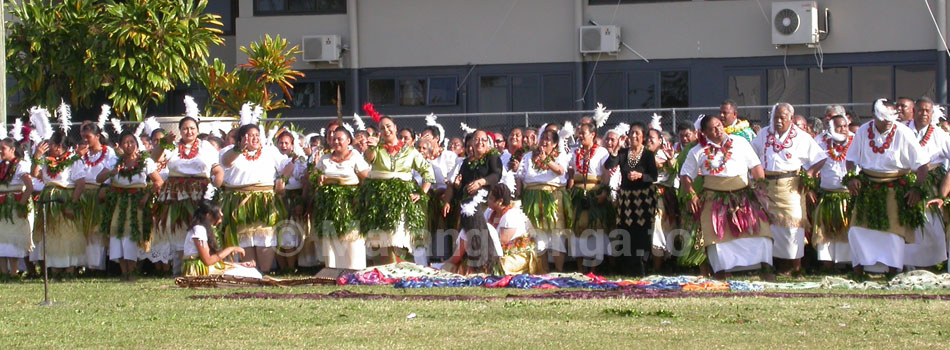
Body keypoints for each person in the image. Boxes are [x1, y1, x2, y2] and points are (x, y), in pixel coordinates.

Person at [680, 115, 773, 281]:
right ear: (705, 133)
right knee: (717, 237)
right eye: (713, 129)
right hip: (713, 198)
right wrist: (691, 194)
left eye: (719, 125)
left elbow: (756, 166)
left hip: (743, 196)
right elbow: (685, 175)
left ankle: (765, 269)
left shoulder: (740, 142)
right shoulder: (698, 151)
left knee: (760, 231)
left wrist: (761, 187)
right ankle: (721, 272)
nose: (718, 130)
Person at [845, 99, 929, 279]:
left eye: (892, 116)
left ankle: (892, 272)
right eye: (884, 116)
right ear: (874, 115)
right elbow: (851, 159)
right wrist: (852, 177)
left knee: (893, 232)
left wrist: (916, 189)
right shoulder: (863, 131)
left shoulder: (904, 132)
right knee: (857, 229)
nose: (889, 120)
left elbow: (922, 165)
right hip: (867, 185)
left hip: (895, 186)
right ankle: (858, 271)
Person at [751, 103, 827, 276]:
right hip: (767, 184)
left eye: (782, 117)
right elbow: (752, 154)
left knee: (793, 225)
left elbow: (820, 158)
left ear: (791, 119)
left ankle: (795, 267)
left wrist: (809, 174)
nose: (778, 121)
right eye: (776, 117)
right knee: (766, 226)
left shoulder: (801, 137)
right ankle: (768, 266)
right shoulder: (764, 134)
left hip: (790, 185)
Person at [151, 116, 224, 275]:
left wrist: (215, 187)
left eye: (192, 128)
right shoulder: (172, 146)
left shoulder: (206, 147)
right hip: (176, 195)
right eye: (185, 128)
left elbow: (217, 170)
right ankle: (178, 271)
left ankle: (200, 269)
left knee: (199, 228)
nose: (189, 131)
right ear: (180, 131)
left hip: (200, 194)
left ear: (197, 130)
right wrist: (164, 143)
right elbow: (153, 159)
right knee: (178, 230)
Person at [360, 116, 435, 264]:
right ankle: (383, 268)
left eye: (389, 126)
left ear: (395, 127)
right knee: (381, 236)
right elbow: (369, 158)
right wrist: (371, 146)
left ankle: (400, 266)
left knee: (399, 234)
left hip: (402, 197)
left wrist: (421, 192)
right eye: (382, 128)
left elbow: (427, 171)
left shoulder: (410, 151)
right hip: (379, 196)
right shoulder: (377, 148)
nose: (386, 130)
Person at [97, 131, 164, 281]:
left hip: (137, 202)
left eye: (132, 142)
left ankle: (133, 271)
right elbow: (99, 178)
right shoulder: (114, 162)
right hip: (118, 203)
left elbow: (159, 182)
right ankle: (124, 272)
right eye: (126, 142)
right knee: (117, 235)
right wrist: (112, 173)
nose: (129, 145)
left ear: (136, 144)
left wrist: (146, 195)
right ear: (120, 146)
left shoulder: (145, 161)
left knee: (132, 235)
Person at [220, 123, 287, 273]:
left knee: (265, 235)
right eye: (250, 135)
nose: (254, 138)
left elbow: (287, 165)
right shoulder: (229, 151)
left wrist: (282, 179)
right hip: (239, 202)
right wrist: (239, 149)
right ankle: (251, 273)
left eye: (257, 135)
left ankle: (264, 271)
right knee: (244, 236)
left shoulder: (270, 151)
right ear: (241, 138)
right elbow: (226, 162)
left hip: (265, 201)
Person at [311, 129, 370, 269]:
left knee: (351, 236)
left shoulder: (355, 157)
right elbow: (313, 177)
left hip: (350, 202)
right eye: (334, 139)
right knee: (332, 236)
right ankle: (333, 270)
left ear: (348, 141)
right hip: (329, 204)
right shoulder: (325, 158)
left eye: (340, 139)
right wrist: (318, 178)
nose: (336, 142)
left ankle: (353, 269)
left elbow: (367, 179)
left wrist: (359, 197)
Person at [902, 97, 949, 269]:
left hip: (929, 184)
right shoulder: (902, 129)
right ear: (914, 111)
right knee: (904, 223)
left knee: (931, 224)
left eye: (927, 110)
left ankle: (933, 264)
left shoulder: (939, 134)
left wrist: (942, 194)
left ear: (932, 113)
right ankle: (905, 265)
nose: (924, 114)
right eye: (920, 110)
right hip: (904, 181)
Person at [31, 131, 86, 277]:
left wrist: (71, 204)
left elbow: (80, 184)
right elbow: (35, 174)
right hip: (49, 202)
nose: (48, 147)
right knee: (52, 234)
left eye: (51, 144)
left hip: (65, 198)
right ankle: (54, 268)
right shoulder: (47, 161)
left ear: (59, 146)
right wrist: (37, 156)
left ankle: (69, 269)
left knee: (67, 234)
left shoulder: (74, 160)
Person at [607, 123, 658, 275]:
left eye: (637, 133)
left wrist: (641, 176)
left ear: (643, 137)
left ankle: (643, 267)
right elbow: (609, 165)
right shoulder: (623, 153)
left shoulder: (648, 155)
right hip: (626, 200)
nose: (634, 136)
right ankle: (627, 268)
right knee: (626, 232)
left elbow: (653, 177)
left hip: (643, 200)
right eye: (632, 133)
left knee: (642, 233)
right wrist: (616, 151)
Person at [519, 129, 571, 272]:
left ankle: (559, 270)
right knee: (538, 237)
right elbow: (521, 177)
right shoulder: (528, 156)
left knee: (556, 235)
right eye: (542, 138)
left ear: (554, 144)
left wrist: (546, 160)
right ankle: (544, 271)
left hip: (552, 198)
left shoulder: (560, 155)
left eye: (548, 139)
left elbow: (560, 171)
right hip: (532, 198)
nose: (544, 141)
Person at [567, 123, 612, 273]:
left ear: (592, 134)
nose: (580, 136)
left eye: (583, 133)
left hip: (595, 193)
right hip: (578, 195)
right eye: (578, 133)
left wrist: (604, 192)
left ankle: (593, 268)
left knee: (596, 227)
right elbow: (572, 176)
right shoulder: (575, 153)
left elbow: (606, 174)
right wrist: (570, 192)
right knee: (577, 228)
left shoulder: (601, 152)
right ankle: (580, 268)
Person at [812, 115, 854, 270]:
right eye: (839, 127)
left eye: (845, 126)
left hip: (849, 196)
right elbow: (810, 164)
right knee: (826, 231)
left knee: (848, 230)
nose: (843, 130)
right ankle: (827, 264)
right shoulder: (820, 141)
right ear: (830, 128)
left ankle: (848, 264)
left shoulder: (855, 140)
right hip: (828, 194)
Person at [76, 121, 118, 272]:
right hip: (83, 194)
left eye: (88, 137)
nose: (85, 140)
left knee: (97, 231)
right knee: (83, 230)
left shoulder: (109, 152)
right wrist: (77, 157)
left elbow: (109, 172)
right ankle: (83, 265)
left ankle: (97, 266)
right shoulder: (81, 154)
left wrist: (105, 187)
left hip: (100, 193)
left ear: (98, 136)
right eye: (82, 137)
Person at [182, 199, 257, 277]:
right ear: (208, 215)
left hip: (206, 267)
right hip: (198, 270)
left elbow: (212, 260)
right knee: (251, 274)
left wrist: (239, 264)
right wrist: (230, 249)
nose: (221, 214)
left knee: (250, 270)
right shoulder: (199, 230)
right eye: (218, 212)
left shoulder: (202, 229)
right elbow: (208, 261)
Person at [485, 184, 543, 275]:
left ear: (500, 201)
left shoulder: (510, 216)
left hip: (515, 255)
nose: (487, 201)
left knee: (501, 265)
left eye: (491, 198)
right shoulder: (489, 212)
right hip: (494, 250)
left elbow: (502, 242)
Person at [274, 131, 308, 272]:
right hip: (278, 199)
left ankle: (291, 268)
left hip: (293, 198)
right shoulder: (274, 158)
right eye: (281, 142)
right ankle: (282, 268)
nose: (283, 145)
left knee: (291, 234)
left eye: (286, 143)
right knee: (278, 234)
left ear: (292, 145)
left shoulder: (299, 160)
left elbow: (304, 181)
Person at [0, 138, 33, 280]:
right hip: (2, 204)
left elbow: (30, 186)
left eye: (3, 148)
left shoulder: (21, 165)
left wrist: (21, 205)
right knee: (1, 237)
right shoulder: (1, 165)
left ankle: (13, 273)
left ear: (13, 150)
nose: (0, 151)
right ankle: (3, 273)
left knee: (12, 239)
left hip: (14, 204)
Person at [647, 127, 679, 272]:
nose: (648, 140)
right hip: (647, 196)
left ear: (660, 141)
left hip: (663, 197)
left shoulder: (665, 153)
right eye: (647, 138)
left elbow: (673, 169)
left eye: (652, 138)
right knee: (654, 230)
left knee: (661, 229)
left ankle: (662, 264)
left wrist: (670, 159)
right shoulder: (643, 154)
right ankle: (656, 264)